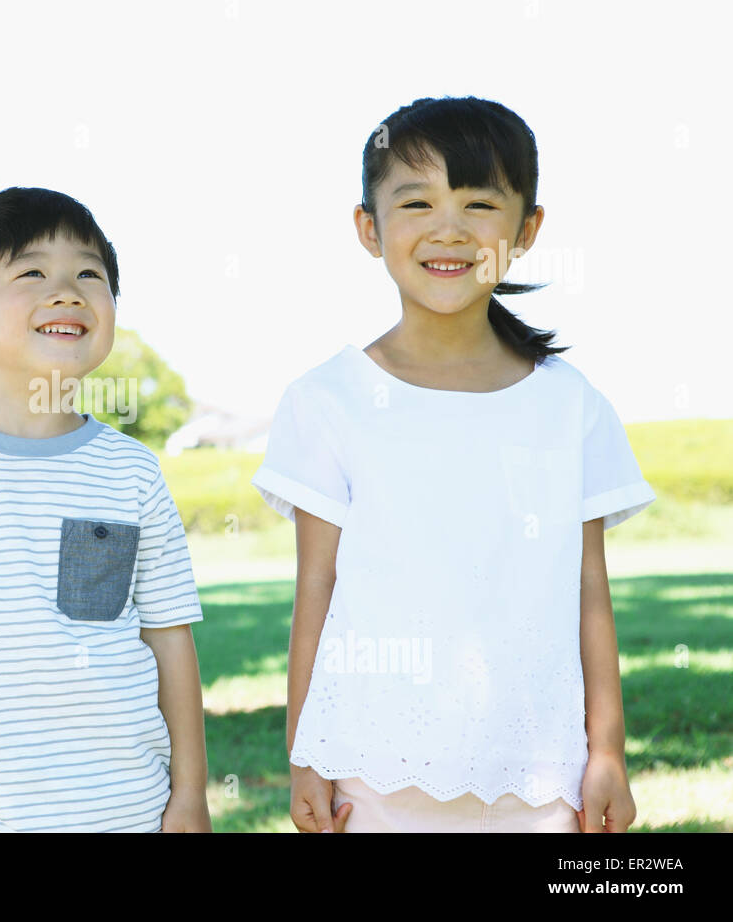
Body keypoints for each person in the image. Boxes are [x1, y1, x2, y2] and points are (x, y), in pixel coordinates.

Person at [252, 96, 656, 833]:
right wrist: (304, 751)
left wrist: (608, 752)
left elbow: (589, 589)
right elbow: (318, 586)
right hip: (373, 771)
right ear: (368, 229)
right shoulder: (326, 400)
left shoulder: (571, 405)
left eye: (479, 203)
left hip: (542, 781)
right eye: (417, 202)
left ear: (527, 230)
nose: (449, 229)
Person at [0, 186, 211, 832]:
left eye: (89, 274)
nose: (68, 291)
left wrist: (190, 794)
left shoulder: (132, 472)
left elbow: (170, 639)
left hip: (129, 810)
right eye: (33, 273)